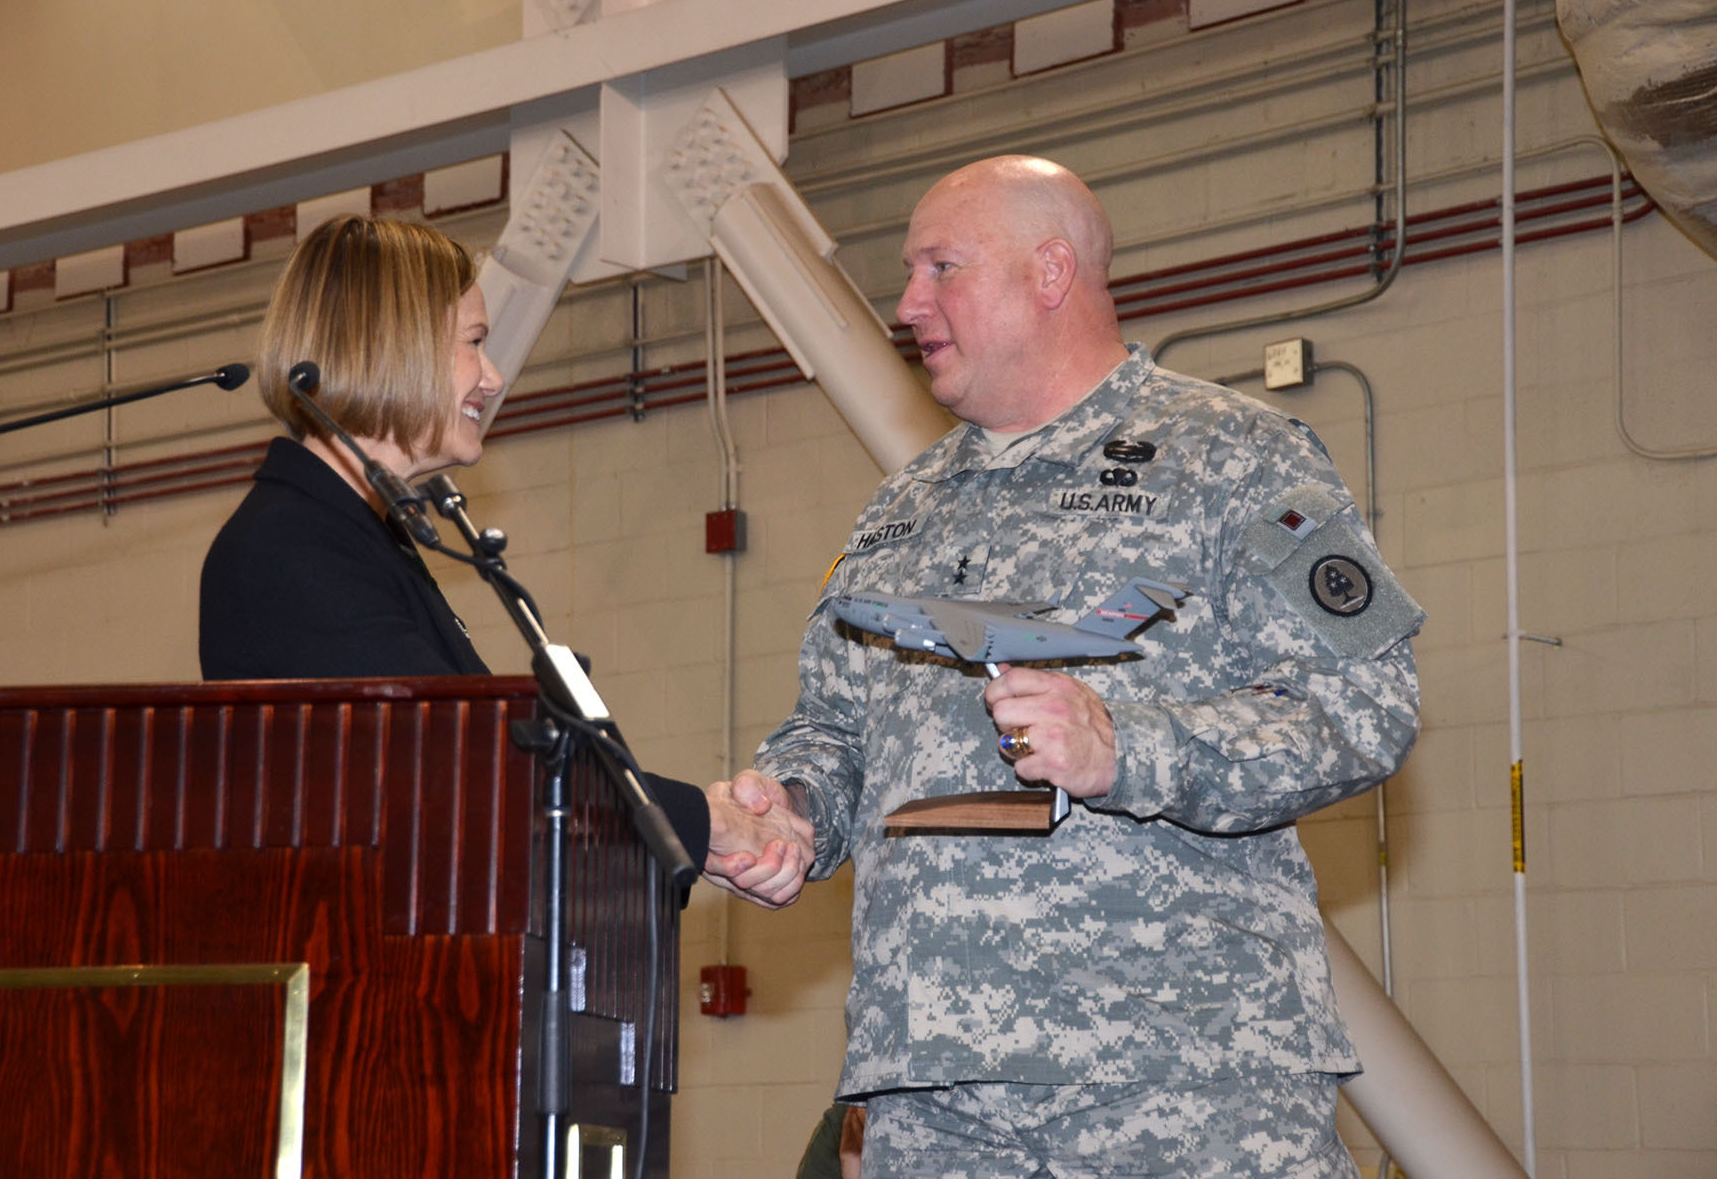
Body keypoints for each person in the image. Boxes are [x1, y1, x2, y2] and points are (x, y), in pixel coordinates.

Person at [705, 157, 1424, 1175]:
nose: (908, 303)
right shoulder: (900, 508)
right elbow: (835, 724)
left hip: (1182, 1081)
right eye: (911, 275)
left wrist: (1128, 745)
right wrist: (787, 811)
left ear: (1049, 273)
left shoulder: (1239, 455)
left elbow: (1365, 704)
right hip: (935, 1096)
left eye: (940, 268)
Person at [200, 213, 812, 886]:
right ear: (392, 346)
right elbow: (474, 759)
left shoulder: (352, 533)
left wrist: (693, 839)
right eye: (475, 343)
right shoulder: (292, 547)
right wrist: (703, 823)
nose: (492, 378)